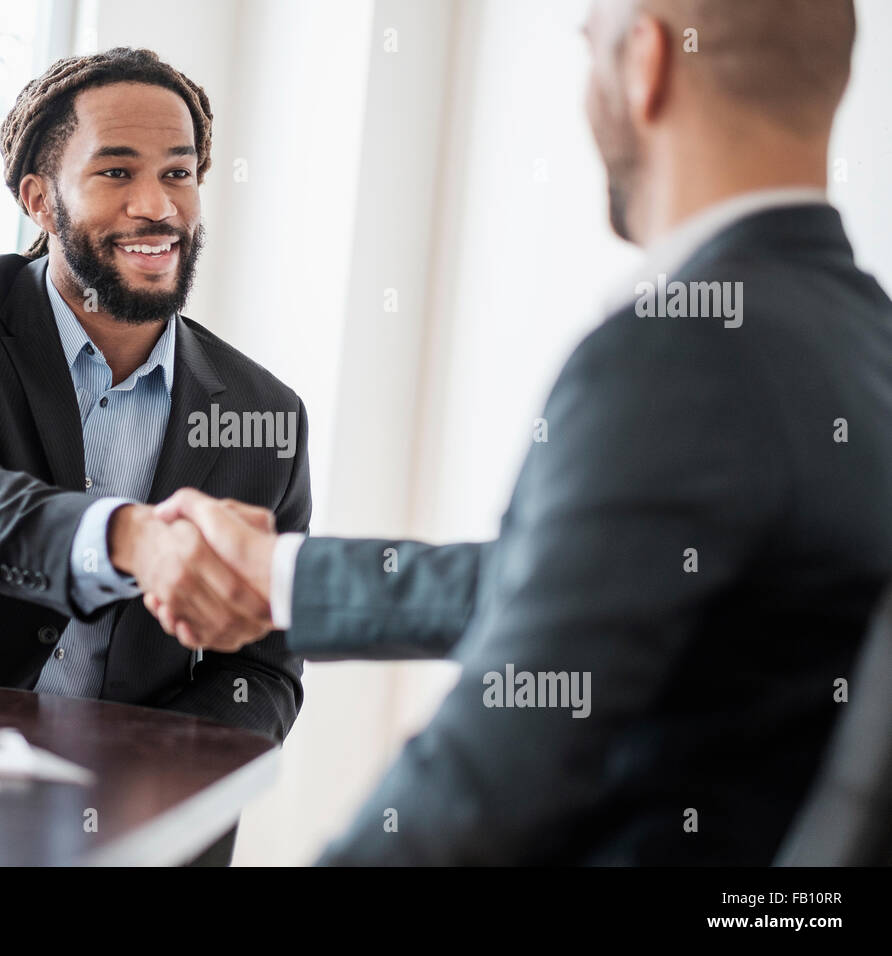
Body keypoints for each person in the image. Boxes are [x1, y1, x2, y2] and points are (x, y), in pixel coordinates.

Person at [148, 0, 892, 864]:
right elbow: (594, 587)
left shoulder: (678, 350)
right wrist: (281, 572)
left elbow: (477, 789)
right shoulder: (862, 340)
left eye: (590, 48)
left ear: (645, 62)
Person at [0, 48, 313, 864]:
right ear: (40, 200)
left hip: (122, 823)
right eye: (116, 172)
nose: (157, 206)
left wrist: (144, 777)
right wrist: (129, 539)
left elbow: (263, 672)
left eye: (179, 174)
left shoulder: (266, 415)